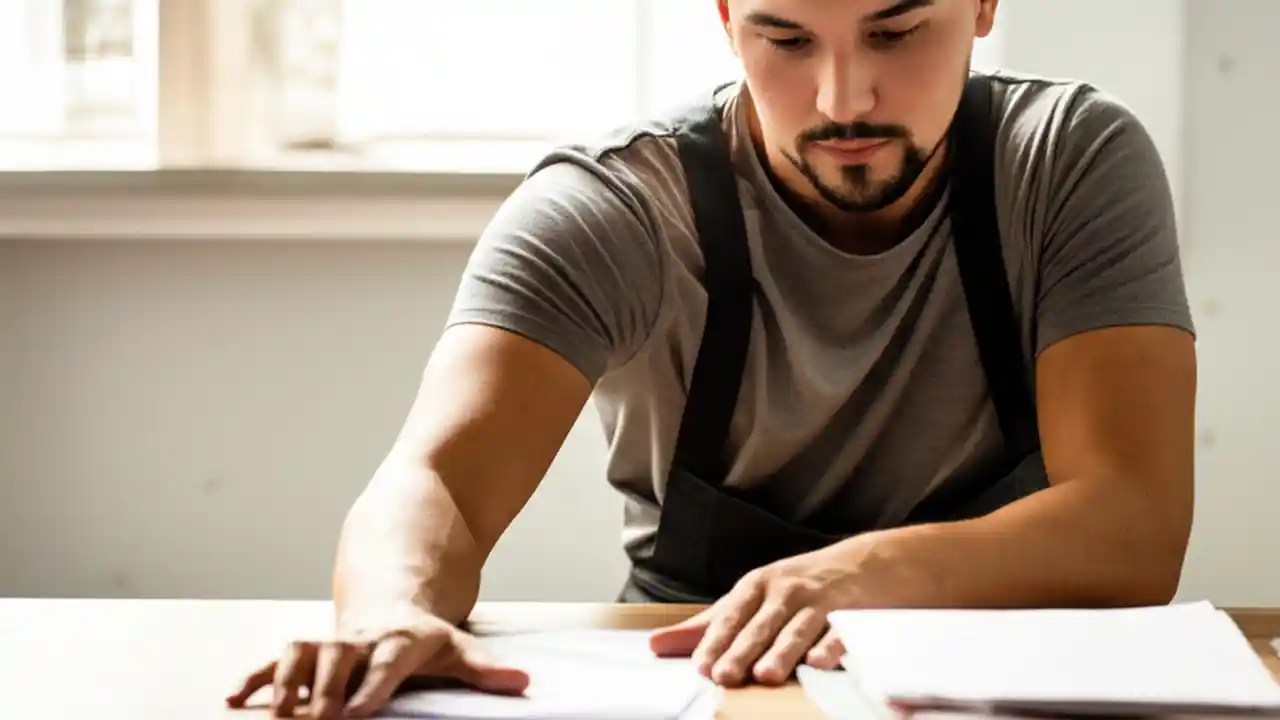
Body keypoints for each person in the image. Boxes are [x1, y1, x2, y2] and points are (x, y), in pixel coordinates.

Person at [227, 0, 1197, 717]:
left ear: (983, 6)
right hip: (696, 686)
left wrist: (855, 574)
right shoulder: (615, 208)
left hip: (1005, 688)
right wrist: (390, 609)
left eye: (895, 33)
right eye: (785, 39)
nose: (841, 96)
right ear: (727, 18)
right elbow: (435, 478)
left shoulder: (1066, 164)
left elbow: (1130, 524)